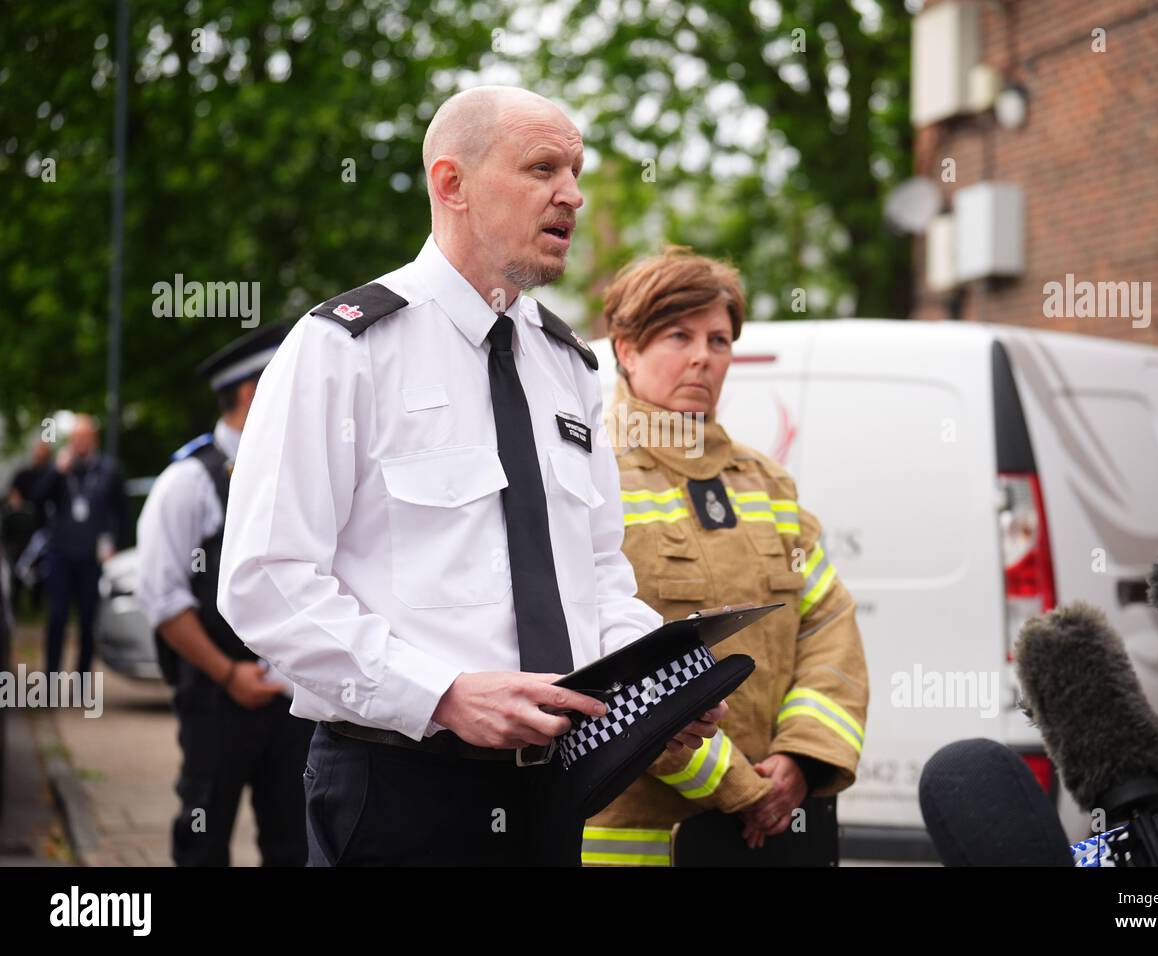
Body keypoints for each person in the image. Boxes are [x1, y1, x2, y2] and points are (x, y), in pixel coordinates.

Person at [216, 86, 725, 867]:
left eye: (577, 171)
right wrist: (441, 693)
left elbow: (595, 574)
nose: (573, 194)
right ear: (450, 183)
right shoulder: (344, 350)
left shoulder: (566, 364)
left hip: (555, 788)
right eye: (543, 168)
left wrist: (658, 688)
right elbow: (265, 579)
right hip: (397, 789)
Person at [582, 248, 869, 866]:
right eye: (677, 335)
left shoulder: (767, 484)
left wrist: (799, 759)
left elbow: (827, 626)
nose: (702, 357)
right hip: (640, 843)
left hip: (773, 832)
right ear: (625, 348)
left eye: (718, 339)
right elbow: (603, 660)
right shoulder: (587, 473)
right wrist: (736, 785)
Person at [135, 323, 313, 866]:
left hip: (295, 701)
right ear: (250, 393)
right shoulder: (189, 481)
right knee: (203, 840)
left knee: (296, 844)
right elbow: (162, 599)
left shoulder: (297, 469)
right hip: (218, 700)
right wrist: (229, 673)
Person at [30, 415, 127, 676]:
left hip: (92, 557)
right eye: (76, 438)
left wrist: (114, 545)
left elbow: (122, 512)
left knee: (87, 621)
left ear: (93, 439)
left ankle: (82, 682)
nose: (81, 442)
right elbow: (37, 500)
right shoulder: (60, 470)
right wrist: (56, 471)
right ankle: (50, 678)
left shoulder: (108, 470)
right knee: (57, 617)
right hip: (60, 554)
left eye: (85, 437)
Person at [3, 437, 53, 615]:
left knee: (41, 569)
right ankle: (15, 605)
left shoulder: (51, 475)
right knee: (18, 568)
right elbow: (13, 494)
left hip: (42, 531)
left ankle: (37, 604)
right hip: (21, 533)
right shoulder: (24, 474)